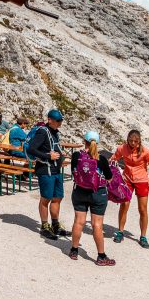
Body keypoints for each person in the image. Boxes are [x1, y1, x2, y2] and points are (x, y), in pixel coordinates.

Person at [69, 131, 116, 265]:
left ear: (84, 141)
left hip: (79, 192)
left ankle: (74, 250)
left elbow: (73, 171)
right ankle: (101, 256)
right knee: (97, 224)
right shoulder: (101, 159)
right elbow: (109, 177)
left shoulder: (77, 155)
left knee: (79, 221)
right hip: (98, 194)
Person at [111, 129, 149, 248]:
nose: (133, 143)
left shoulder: (145, 151)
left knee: (142, 209)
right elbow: (113, 160)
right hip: (127, 179)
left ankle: (143, 236)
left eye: (135, 141)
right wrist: (113, 175)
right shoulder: (122, 148)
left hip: (141, 180)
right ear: (127, 140)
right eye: (131, 141)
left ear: (139, 141)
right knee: (124, 205)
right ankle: (120, 232)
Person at [29, 109, 67, 240]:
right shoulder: (42, 132)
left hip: (56, 170)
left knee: (57, 197)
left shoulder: (55, 132)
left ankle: (55, 224)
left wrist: (61, 155)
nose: (60, 123)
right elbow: (32, 148)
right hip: (46, 170)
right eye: (58, 121)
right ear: (50, 120)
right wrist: (47, 156)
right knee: (46, 198)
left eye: (61, 120)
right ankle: (44, 226)